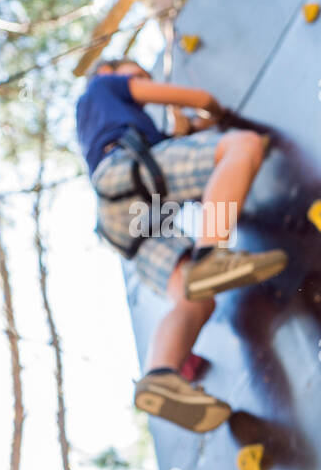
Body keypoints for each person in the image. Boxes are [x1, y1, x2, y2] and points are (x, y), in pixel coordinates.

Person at [76, 58, 287, 432]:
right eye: (136, 75)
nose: (143, 81)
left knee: (195, 299)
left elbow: (178, 158)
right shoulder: (102, 87)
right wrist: (216, 112)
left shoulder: (112, 123)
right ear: (108, 72)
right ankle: (212, 254)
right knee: (242, 146)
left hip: (128, 223)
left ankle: (160, 376)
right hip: (132, 175)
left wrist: (184, 129)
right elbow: (199, 96)